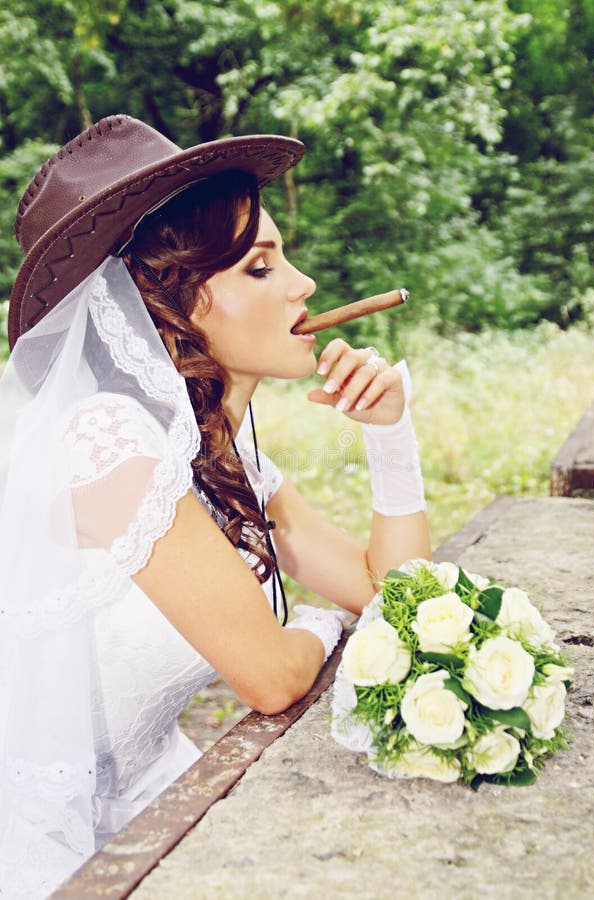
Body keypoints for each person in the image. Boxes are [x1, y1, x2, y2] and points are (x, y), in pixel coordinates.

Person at [0, 114, 430, 898]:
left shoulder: (223, 460)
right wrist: (318, 622)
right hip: (41, 843)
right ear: (169, 306)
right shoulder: (107, 447)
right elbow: (270, 677)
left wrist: (390, 435)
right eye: (261, 268)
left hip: (145, 809)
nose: (302, 284)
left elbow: (395, 595)